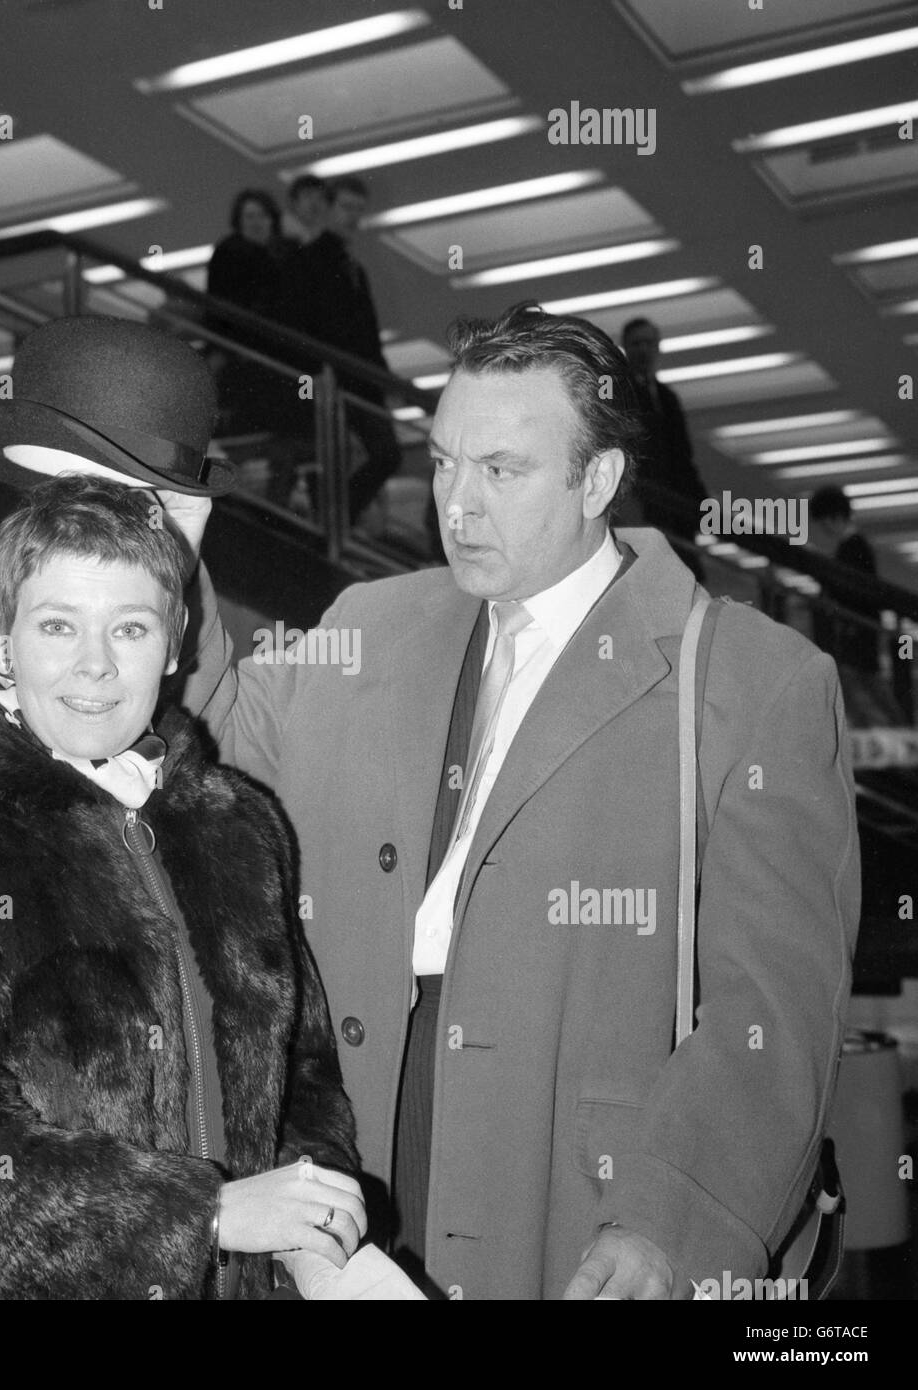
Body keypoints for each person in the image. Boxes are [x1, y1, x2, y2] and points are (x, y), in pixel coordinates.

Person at [166, 301, 860, 1299]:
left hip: (578, 1199)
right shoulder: (371, 623)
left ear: (598, 480)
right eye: (443, 462)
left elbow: (772, 1013)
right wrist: (166, 539)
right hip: (346, 1176)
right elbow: (211, 735)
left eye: (500, 470)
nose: (456, 503)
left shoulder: (752, 682)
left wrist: (669, 1225)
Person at [0, 317, 368, 1300]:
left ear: (176, 637)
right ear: (3, 633)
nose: (95, 668)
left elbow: (302, 1075)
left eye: (130, 629)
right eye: (57, 626)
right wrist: (201, 1214)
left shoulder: (238, 829)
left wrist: (315, 1203)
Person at [284, 175, 403, 528]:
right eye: (346, 207)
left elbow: (368, 332)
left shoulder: (352, 267)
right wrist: (317, 368)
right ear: (328, 208)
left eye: (358, 209)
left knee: (379, 453)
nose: (352, 216)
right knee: (367, 454)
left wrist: (383, 378)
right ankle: (334, 519)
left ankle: (335, 519)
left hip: (357, 378)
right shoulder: (309, 260)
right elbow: (302, 324)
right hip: (336, 377)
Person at [205, 189, 313, 510]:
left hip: (278, 362)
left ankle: (274, 505)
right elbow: (219, 307)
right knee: (271, 440)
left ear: (273, 219)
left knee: (288, 441)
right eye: (249, 216)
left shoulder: (287, 254)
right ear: (238, 222)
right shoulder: (230, 252)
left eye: (262, 215)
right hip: (248, 361)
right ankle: (264, 507)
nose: (256, 222)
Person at [809, 484, 907, 726]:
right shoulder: (855, 547)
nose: (824, 530)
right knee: (868, 688)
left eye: (824, 523)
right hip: (863, 634)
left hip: (857, 634)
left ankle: (898, 735)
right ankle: (900, 732)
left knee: (861, 689)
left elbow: (855, 592)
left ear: (834, 517)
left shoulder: (852, 548)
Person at [620, 317, 707, 577]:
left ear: (658, 347)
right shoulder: (618, 392)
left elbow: (682, 456)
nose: (643, 350)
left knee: (683, 568)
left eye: (649, 343)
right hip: (642, 500)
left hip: (673, 501)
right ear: (625, 348)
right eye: (636, 344)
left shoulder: (668, 398)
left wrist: (699, 501)